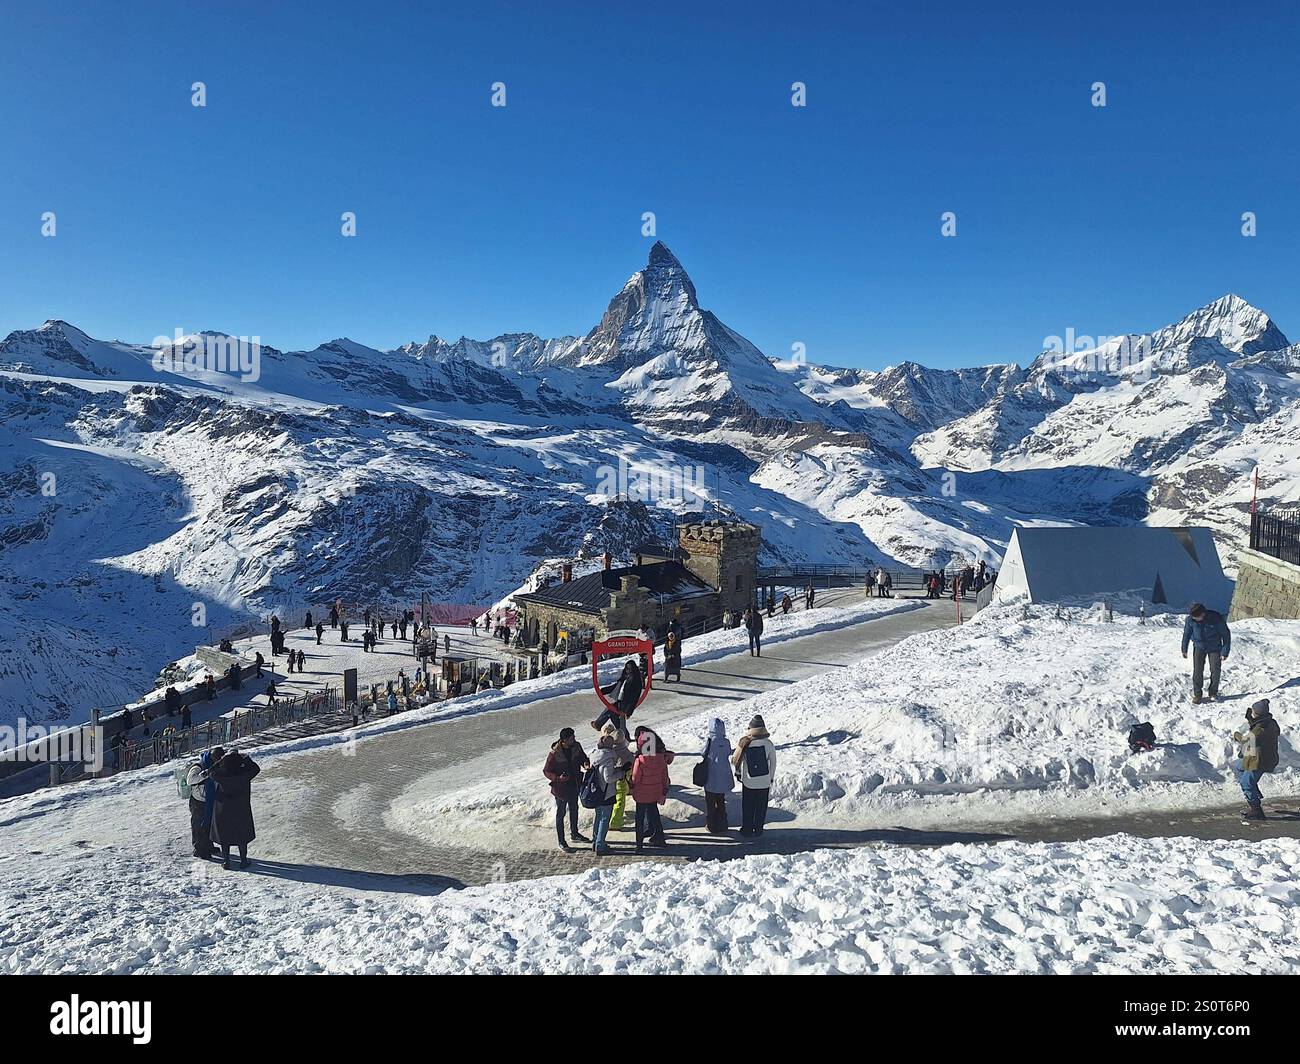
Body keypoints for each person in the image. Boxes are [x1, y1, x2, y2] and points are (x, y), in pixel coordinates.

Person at [209, 748, 260, 869]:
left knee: (224, 835)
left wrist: (221, 761)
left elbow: (211, 771)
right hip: (241, 808)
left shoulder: (220, 774)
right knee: (241, 835)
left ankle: (226, 861)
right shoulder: (245, 773)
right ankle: (243, 860)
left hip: (222, 809)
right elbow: (256, 769)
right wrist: (245, 758)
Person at [1232, 698, 1281, 820]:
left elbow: (1246, 741)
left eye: (1253, 712)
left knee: (1246, 783)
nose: (1252, 713)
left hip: (1260, 761)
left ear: (1258, 714)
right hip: (1257, 757)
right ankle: (1254, 792)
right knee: (1239, 767)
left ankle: (1256, 810)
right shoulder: (1269, 722)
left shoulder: (1260, 729)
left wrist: (1236, 735)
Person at [588, 727, 634, 855]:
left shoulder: (595, 755)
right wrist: (621, 772)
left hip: (596, 791)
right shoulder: (607, 758)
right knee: (604, 818)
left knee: (598, 817)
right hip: (606, 793)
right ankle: (600, 845)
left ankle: (595, 842)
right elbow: (609, 778)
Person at [543, 728, 590, 852]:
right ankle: (561, 841)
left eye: (574, 737)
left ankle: (575, 833)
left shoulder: (576, 747)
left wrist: (585, 764)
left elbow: (583, 758)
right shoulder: (554, 753)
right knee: (561, 813)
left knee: (574, 809)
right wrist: (558, 778)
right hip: (560, 788)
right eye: (571, 738)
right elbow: (546, 771)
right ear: (564, 740)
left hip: (574, 785)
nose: (574, 739)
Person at [732, 714, 776, 839]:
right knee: (761, 807)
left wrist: (739, 773)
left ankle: (746, 830)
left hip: (749, 782)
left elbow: (735, 760)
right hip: (764, 781)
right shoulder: (769, 744)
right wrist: (770, 778)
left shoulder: (745, 742)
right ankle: (758, 830)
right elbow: (773, 763)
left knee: (748, 807)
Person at [631, 728, 671, 854]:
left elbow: (635, 778)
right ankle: (660, 839)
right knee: (654, 815)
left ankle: (639, 846)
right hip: (655, 793)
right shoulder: (661, 759)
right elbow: (665, 778)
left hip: (641, 794)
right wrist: (664, 791)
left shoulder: (640, 760)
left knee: (640, 818)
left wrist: (631, 785)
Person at [1182, 602, 1231, 704]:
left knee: (1215, 669)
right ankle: (1197, 694)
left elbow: (1226, 635)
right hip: (1199, 646)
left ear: (1203, 614)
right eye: (1193, 617)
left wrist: (1224, 651)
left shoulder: (1215, 618)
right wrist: (1184, 648)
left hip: (1214, 647)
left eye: (1197, 617)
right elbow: (1186, 634)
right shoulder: (1191, 620)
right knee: (1198, 670)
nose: (1195, 619)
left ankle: (1213, 692)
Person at [593, 659, 643, 740]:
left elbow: (635, 697)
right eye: (627, 668)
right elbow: (616, 687)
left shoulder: (635, 679)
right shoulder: (625, 677)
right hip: (621, 701)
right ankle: (625, 736)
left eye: (629, 669)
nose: (628, 670)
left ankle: (598, 724)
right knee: (614, 716)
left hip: (626, 704)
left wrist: (629, 711)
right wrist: (602, 691)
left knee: (610, 709)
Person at [700, 717, 734, 834]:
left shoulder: (710, 741)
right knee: (721, 801)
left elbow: (702, 752)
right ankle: (723, 824)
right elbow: (728, 752)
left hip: (711, 777)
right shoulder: (726, 742)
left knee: (710, 802)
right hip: (723, 776)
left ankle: (712, 825)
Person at [185, 750, 218, 858]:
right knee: (198, 826)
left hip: (209, 799)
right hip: (198, 801)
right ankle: (199, 849)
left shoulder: (215, 765)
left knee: (208, 824)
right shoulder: (199, 766)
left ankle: (208, 845)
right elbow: (189, 780)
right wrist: (205, 774)